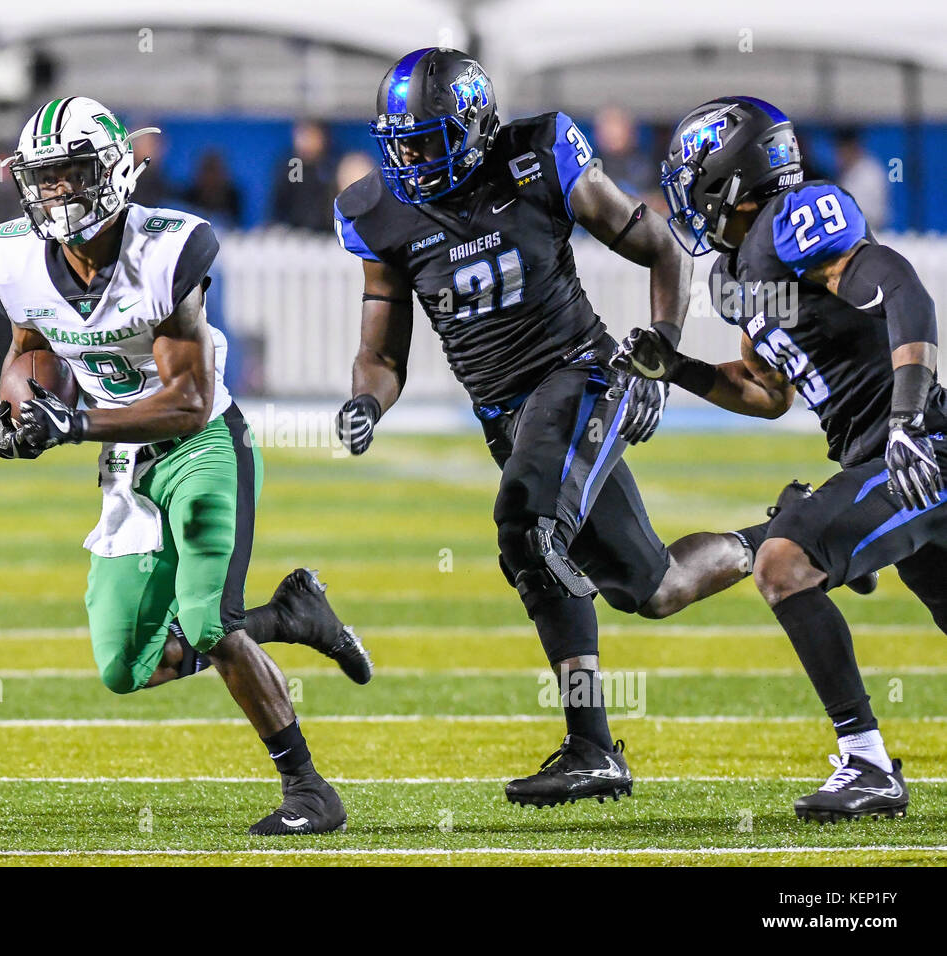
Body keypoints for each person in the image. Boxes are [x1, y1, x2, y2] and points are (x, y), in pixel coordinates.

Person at [331, 49, 873, 810]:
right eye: (405, 142)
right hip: (504, 415)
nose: (415, 159)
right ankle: (799, 531)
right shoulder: (374, 210)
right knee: (651, 586)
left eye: (431, 139)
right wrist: (367, 401)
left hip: (579, 374)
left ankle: (592, 747)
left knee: (527, 532)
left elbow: (654, 244)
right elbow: (381, 352)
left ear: (477, 126)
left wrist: (657, 352)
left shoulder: (536, 154)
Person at [0, 96, 372, 835]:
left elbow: (188, 400)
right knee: (125, 666)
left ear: (115, 172)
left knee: (209, 620)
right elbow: (27, 345)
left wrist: (74, 424)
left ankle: (310, 791)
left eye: (72, 174)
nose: (59, 192)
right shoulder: (12, 255)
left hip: (198, 445)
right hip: (123, 457)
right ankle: (290, 615)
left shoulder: (166, 248)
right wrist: (18, 406)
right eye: (47, 178)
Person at [614, 96, 945, 822]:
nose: (684, 195)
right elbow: (768, 392)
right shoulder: (737, 274)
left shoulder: (795, 220)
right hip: (881, 452)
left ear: (731, 173)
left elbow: (901, 286)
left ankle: (867, 764)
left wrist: (909, 419)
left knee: (783, 562)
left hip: (918, 448)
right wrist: (679, 368)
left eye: (693, 175)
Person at [270, 119, 336, 231]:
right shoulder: (295, 165)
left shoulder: (330, 164)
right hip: (295, 233)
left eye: (312, 135)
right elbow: (286, 204)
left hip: (327, 233)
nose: (306, 141)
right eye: (302, 135)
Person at [835, 128, 890, 232]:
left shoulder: (870, 172)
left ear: (853, 148)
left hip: (871, 230)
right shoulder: (846, 173)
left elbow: (874, 214)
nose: (840, 157)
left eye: (843, 151)